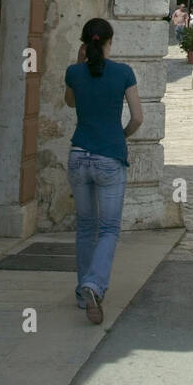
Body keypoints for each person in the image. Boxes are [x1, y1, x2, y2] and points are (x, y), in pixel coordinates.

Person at [64, 19, 143, 324]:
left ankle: (84, 295)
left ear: (85, 42)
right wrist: (120, 134)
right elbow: (137, 118)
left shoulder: (74, 73)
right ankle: (94, 285)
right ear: (110, 41)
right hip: (110, 156)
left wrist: (78, 62)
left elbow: (70, 102)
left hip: (78, 155)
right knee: (109, 229)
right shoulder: (124, 73)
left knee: (85, 227)